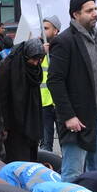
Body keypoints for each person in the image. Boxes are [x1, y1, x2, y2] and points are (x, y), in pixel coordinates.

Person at [48, 0, 97, 179]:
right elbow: (55, 81)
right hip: (78, 120)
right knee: (73, 174)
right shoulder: (64, 41)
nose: (95, 14)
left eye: (95, 9)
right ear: (75, 15)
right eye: (89, 10)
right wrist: (69, 116)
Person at [0, 39, 45, 163]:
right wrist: (3, 124)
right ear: (25, 56)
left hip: (30, 120)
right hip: (13, 122)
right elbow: (1, 98)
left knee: (30, 158)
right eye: (33, 59)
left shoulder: (34, 68)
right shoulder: (7, 67)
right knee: (18, 158)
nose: (35, 63)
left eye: (39, 60)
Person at [39, 17, 62, 153]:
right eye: (42, 28)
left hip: (59, 102)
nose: (43, 31)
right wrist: (41, 53)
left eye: (46, 28)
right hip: (44, 103)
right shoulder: (37, 47)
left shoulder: (62, 48)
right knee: (45, 143)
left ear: (56, 30)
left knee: (66, 142)